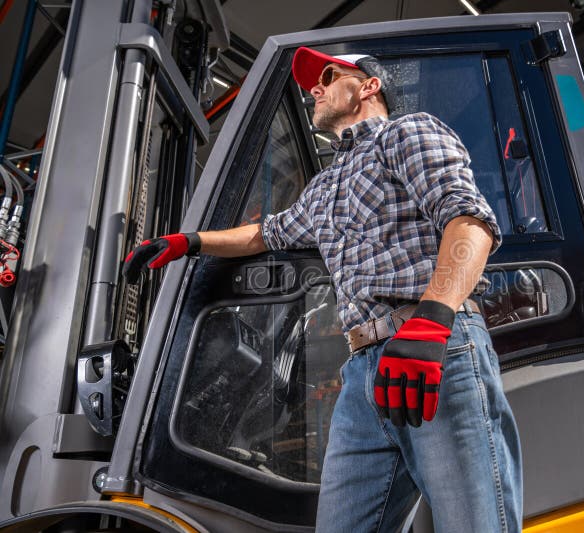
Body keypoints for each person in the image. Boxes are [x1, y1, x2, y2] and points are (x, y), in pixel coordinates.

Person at [123, 46, 522, 532]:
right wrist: (189, 242)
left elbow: (469, 220)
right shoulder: (323, 187)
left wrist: (433, 320)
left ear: (369, 86)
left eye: (328, 76)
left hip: (435, 348)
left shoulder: (406, 133)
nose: (314, 88)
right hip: (363, 373)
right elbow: (266, 234)